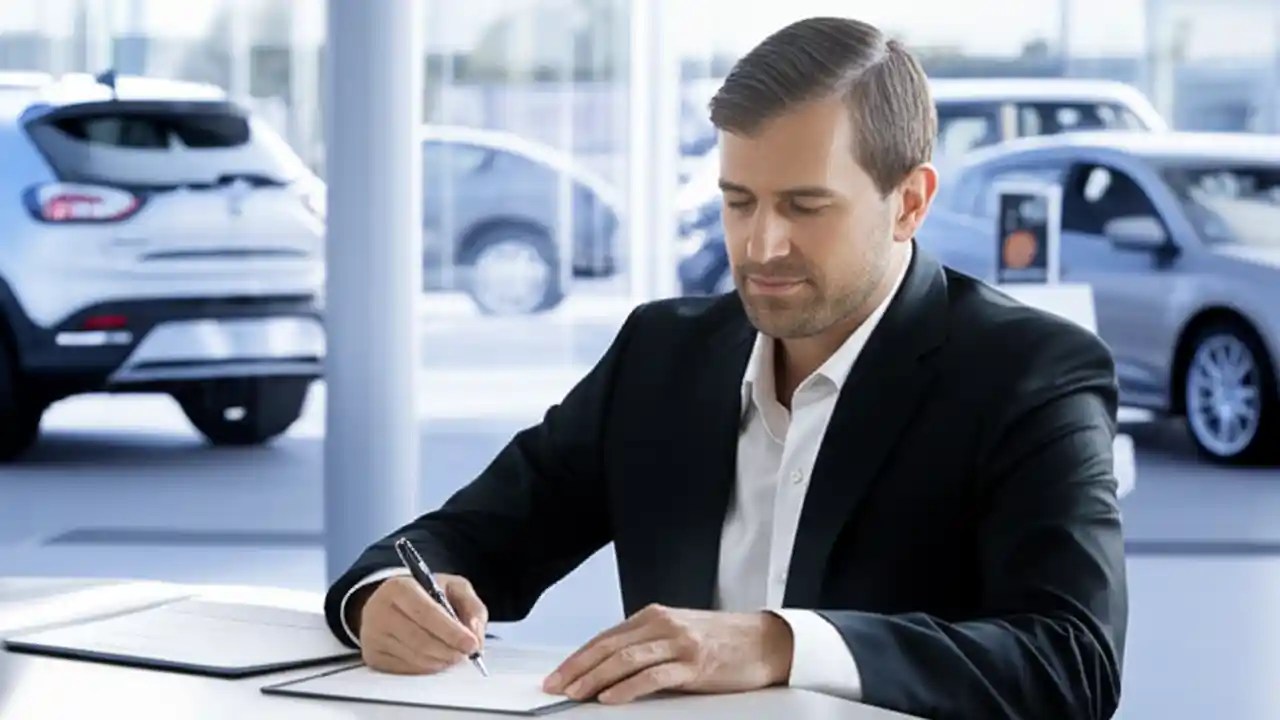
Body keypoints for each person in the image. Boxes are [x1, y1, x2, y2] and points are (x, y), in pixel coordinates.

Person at [324, 16, 1127, 720]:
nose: (760, 246)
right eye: (738, 201)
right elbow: (464, 539)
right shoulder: (660, 356)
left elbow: (1069, 664)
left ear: (910, 201)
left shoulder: (1030, 371)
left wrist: (780, 644)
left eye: (804, 207)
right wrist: (381, 600)